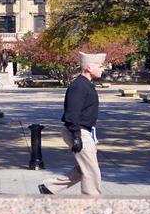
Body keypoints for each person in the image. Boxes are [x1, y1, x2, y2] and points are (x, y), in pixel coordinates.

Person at [39, 52, 106, 197]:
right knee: (91, 169)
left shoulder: (86, 84)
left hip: (84, 130)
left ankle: (50, 187)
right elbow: (72, 112)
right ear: (89, 67)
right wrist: (76, 135)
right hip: (78, 130)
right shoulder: (79, 86)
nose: (103, 69)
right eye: (100, 66)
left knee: (86, 167)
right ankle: (92, 199)